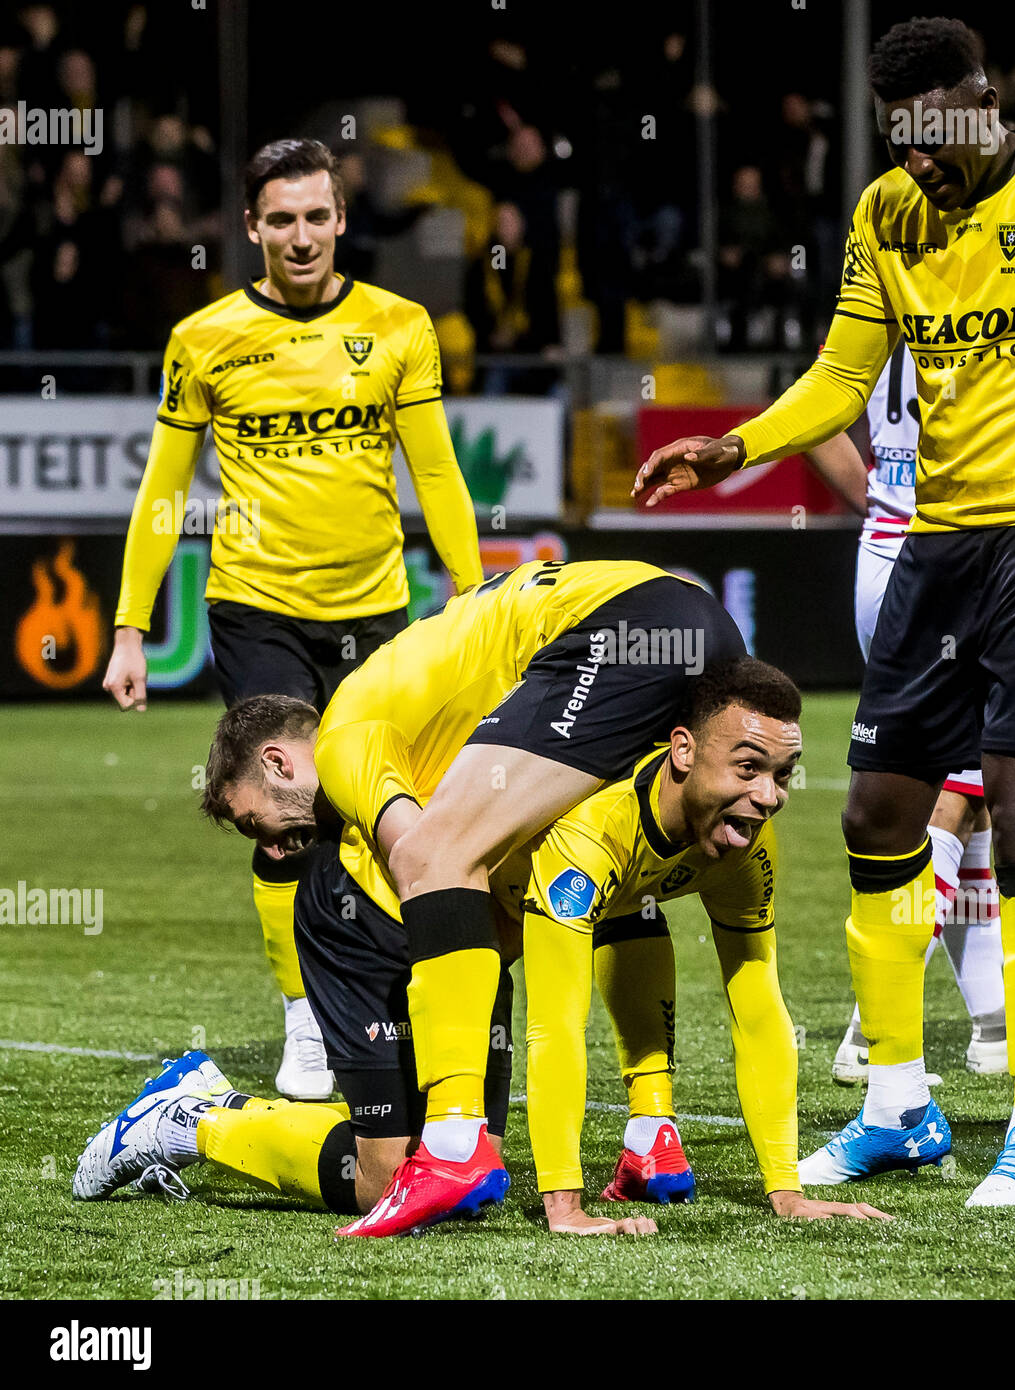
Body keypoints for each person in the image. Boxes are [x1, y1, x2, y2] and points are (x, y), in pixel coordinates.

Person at [633, 17, 1015, 1206]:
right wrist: (733, 447)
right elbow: (841, 376)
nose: (916, 163)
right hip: (932, 544)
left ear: (981, 101)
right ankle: (896, 1102)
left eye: (932, 138)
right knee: (877, 812)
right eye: (899, 139)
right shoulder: (887, 210)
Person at [199, 558, 748, 1235]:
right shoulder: (442, 713)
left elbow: (424, 859)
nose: (278, 848)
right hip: (699, 620)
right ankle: (649, 1130)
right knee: (621, 863)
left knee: (441, 854)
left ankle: (449, 1146)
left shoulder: (345, 740)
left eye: (259, 822)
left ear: (278, 761)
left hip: (616, 632)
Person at [102, 138, 483, 1103]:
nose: (302, 236)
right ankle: (305, 1020)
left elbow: (435, 473)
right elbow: (163, 489)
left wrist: (475, 597)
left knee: (384, 809)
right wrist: (128, 626)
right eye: (282, 219)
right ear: (251, 227)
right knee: (285, 821)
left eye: (318, 216)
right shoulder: (205, 339)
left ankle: (389, 991)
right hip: (256, 606)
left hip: (376, 612)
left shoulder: (400, 326)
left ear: (343, 220)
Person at [805, 343, 1015, 1093]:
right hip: (955, 561)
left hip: (896, 553)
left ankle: (994, 1024)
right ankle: (871, 1030)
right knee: (953, 799)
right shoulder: (992, 311)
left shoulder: (896, 300)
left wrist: (881, 500)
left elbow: (815, 413)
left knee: (977, 793)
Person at [490, 657, 890, 1234]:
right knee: (417, 1155)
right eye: (748, 768)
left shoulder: (747, 843)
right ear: (683, 751)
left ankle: (654, 1132)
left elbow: (759, 1006)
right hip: (453, 920)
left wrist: (788, 1190)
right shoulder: (592, 832)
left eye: (781, 774)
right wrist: (565, 1207)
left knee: (634, 900)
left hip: (602, 894)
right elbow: (555, 1023)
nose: (770, 796)